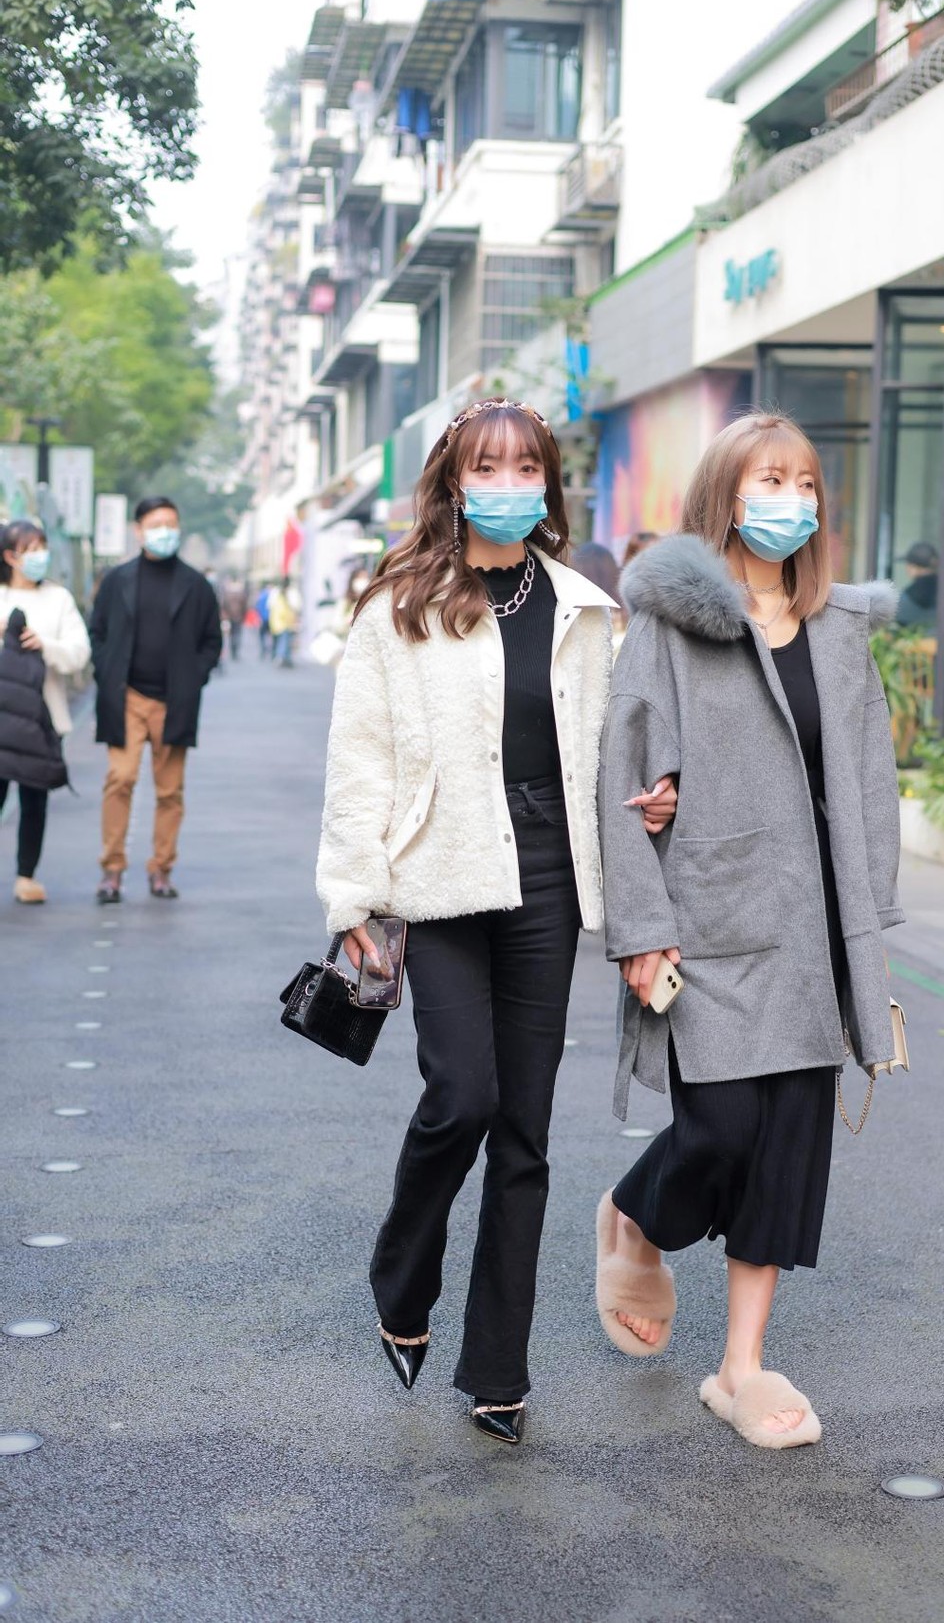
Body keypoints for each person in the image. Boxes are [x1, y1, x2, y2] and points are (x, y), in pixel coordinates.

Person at [315, 396, 677, 1448]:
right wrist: (355, 896)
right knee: (461, 1097)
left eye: (527, 467)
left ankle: (498, 1370)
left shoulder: (584, 608)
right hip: (440, 876)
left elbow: (610, 749)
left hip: (550, 878)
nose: (509, 484)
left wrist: (655, 800)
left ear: (548, 484)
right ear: (454, 480)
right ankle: (402, 1270)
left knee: (525, 1129)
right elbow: (361, 756)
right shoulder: (400, 604)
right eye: (488, 466)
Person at [595, 411, 903, 1451]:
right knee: (721, 1130)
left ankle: (741, 1365)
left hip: (815, 934)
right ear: (725, 495)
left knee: (788, 1153)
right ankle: (635, 1210)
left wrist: (870, 929)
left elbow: (869, 781)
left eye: (806, 483)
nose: (793, 501)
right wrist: (641, 924)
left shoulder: (842, 628)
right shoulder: (671, 626)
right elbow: (624, 779)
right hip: (711, 918)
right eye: (772, 481)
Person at [88, 497, 222, 904]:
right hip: (126, 696)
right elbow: (98, 631)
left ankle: (161, 869)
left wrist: (193, 677)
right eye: (156, 524)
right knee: (120, 779)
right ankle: (112, 869)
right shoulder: (118, 580)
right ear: (139, 530)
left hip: (174, 701)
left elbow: (211, 640)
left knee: (169, 791)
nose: (164, 531)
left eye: (170, 523)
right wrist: (105, 670)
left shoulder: (195, 585)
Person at [0, 520, 91, 903]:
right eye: (30, 549)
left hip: (42, 719)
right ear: (10, 556)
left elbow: (79, 653)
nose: (40, 556)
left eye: (42, 547)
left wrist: (45, 645)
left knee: (34, 798)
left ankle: (26, 876)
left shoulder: (59, 599)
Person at [895, 541, 944, 639]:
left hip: (918, 647)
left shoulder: (908, 596)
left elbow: (896, 628)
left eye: (908, 565)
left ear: (913, 568)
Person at [268, 579, 299, 668]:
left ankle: (284, 657)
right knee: (285, 640)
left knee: (282, 640)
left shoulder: (275, 594)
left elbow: (269, 606)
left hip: (277, 621)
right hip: (285, 622)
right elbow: (296, 606)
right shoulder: (290, 594)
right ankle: (282, 657)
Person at [221, 577, 248, 663]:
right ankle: (235, 651)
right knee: (237, 634)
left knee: (232, 634)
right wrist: (243, 615)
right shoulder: (241, 594)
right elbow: (245, 606)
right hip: (238, 617)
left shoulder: (227, 593)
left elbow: (223, 605)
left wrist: (225, 616)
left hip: (229, 616)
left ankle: (233, 650)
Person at [254, 584, 274, 660]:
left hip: (263, 619)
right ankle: (270, 650)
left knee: (262, 635)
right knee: (270, 635)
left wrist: (259, 617)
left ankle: (264, 649)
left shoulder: (262, 596)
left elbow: (258, 608)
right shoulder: (272, 596)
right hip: (270, 619)